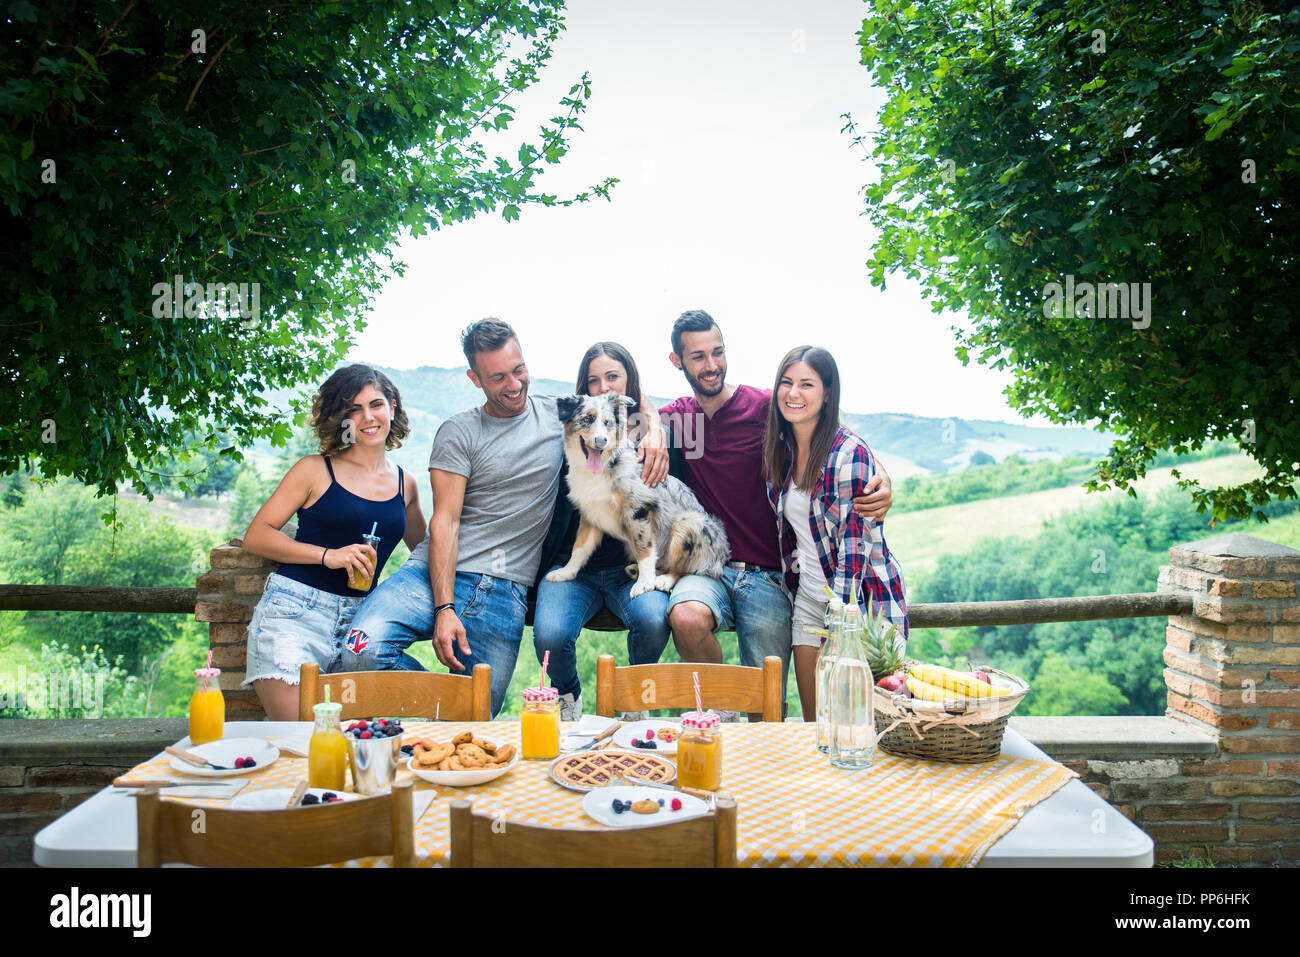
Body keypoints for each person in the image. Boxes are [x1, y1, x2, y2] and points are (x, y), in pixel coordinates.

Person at [344, 319, 667, 717]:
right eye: (498, 377)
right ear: (474, 378)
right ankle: (439, 711)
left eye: (519, 370)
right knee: (358, 650)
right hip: (431, 576)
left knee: (475, 713)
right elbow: (445, 522)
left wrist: (653, 427)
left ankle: (446, 717)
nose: (514, 385)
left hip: (505, 590)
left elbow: (617, 395)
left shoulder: (560, 415)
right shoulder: (458, 430)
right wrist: (444, 608)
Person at [660, 310, 893, 719]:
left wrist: (881, 476)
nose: (711, 365)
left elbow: (829, 432)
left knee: (768, 704)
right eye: (697, 357)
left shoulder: (766, 407)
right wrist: (650, 429)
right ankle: (724, 707)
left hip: (768, 574)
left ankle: (764, 747)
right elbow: (623, 418)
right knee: (685, 618)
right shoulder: (677, 418)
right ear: (677, 361)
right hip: (708, 568)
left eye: (717, 352)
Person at [241, 364, 427, 720]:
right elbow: (257, 535)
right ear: (339, 419)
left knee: (372, 741)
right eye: (353, 410)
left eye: (375, 405)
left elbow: (426, 554)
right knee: (301, 743)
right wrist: (329, 556)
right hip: (294, 616)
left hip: (364, 629)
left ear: (392, 408)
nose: (367, 417)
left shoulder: (407, 484)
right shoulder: (313, 469)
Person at [531, 342, 685, 717]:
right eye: (594, 380)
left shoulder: (654, 438)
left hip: (629, 568)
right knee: (550, 634)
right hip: (577, 566)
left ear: (630, 381)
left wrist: (652, 421)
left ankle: (634, 699)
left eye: (613, 377)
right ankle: (567, 696)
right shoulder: (572, 423)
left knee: (651, 621)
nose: (603, 387)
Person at [763, 346, 909, 721]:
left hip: (858, 604)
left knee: (855, 723)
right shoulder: (781, 450)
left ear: (827, 394)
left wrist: (840, 627)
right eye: (787, 382)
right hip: (809, 598)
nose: (794, 393)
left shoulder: (848, 454)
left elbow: (853, 553)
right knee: (815, 724)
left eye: (807, 384)